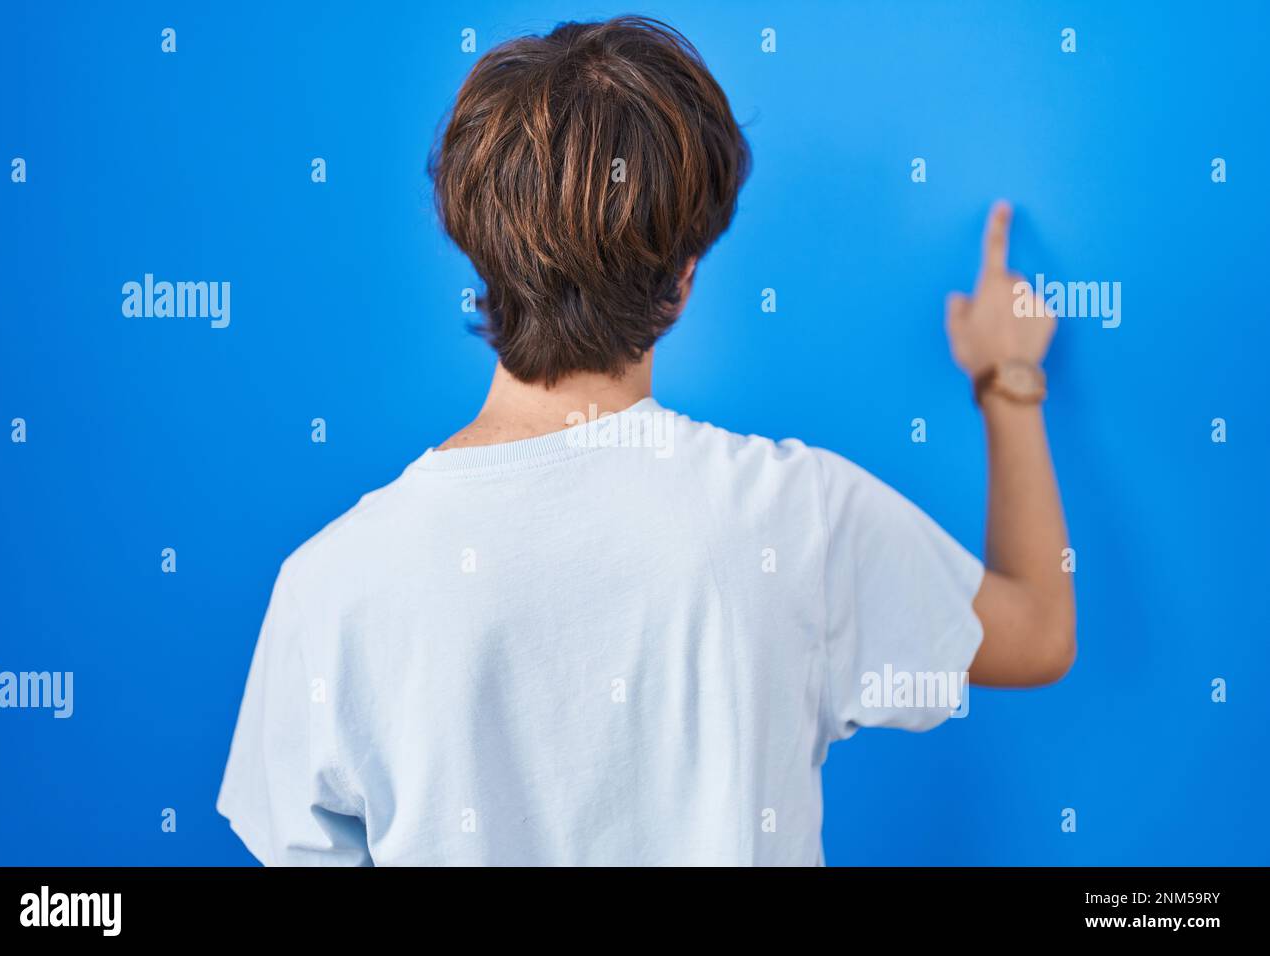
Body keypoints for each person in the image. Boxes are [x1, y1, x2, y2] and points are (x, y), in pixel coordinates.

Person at [218, 16, 1074, 866]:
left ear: (479, 253)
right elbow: (1038, 629)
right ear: (684, 279)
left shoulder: (327, 590)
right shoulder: (795, 521)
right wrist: (1009, 382)